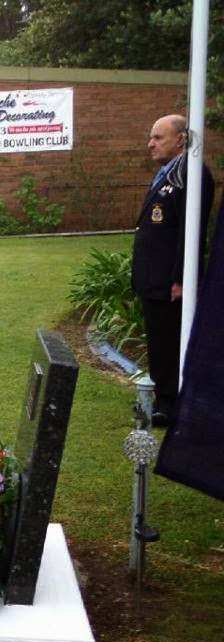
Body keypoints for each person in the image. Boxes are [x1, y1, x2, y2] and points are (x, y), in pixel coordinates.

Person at [131, 114, 215, 427]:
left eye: (158, 137)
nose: (150, 144)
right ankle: (163, 394)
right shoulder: (169, 173)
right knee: (158, 338)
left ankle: (169, 403)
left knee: (169, 340)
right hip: (153, 278)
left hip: (170, 281)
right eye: (151, 137)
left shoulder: (192, 176)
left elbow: (190, 231)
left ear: (180, 139)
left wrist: (181, 277)